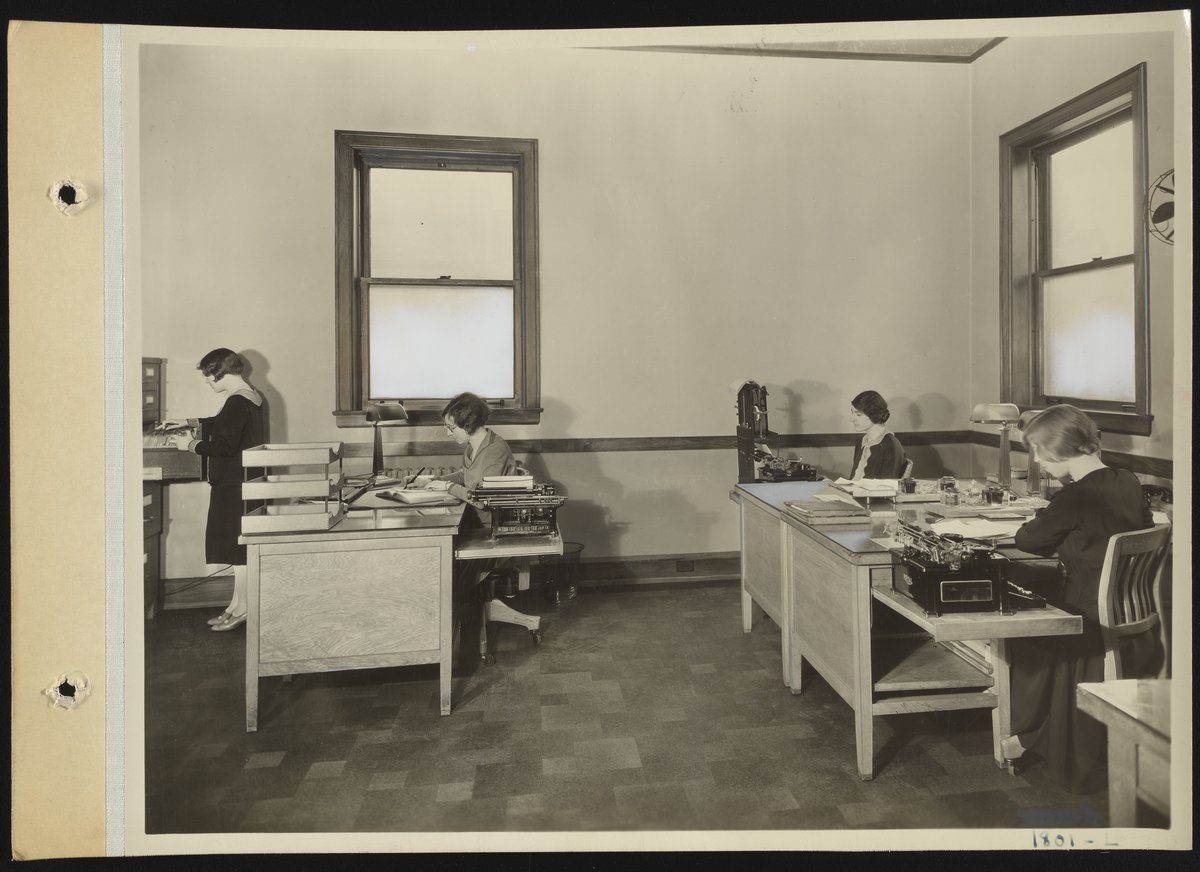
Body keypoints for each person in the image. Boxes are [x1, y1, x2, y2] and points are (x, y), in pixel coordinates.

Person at [1003, 404, 1155, 792]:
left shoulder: (1074, 496)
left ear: (1060, 448)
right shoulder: (1127, 480)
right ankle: (1039, 733)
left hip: (1087, 619)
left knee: (1020, 623)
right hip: (1131, 613)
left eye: (1039, 451)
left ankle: (1029, 734)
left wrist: (1042, 519)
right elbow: (1144, 525)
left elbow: (1028, 541)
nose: (1038, 460)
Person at [170, 348, 265, 631]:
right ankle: (237, 605)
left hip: (233, 485)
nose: (207, 382)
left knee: (238, 551)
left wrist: (189, 445)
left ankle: (244, 608)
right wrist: (193, 423)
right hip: (247, 483)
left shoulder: (236, 401)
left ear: (219, 373)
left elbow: (225, 445)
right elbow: (228, 425)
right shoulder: (252, 396)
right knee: (238, 551)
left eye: (208, 376)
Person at [426, 391, 518, 516]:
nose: (448, 433)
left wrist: (448, 486)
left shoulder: (495, 450)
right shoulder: (472, 446)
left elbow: (483, 500)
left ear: (469, 424)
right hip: (472, 514)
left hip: (490, 520)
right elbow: (465, 476)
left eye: (452, 428)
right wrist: (432, 481)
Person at [848, 390, 907, 479]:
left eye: (858, 415)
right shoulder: (862, 442)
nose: (852, 419)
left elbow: (888, 485)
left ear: (873, 415)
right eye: (852, 412)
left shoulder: (891, 445)